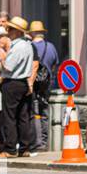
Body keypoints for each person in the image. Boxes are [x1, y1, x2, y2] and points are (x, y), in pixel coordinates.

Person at [0, 16, 38, 157]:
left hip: (12, 83)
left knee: (10, 117)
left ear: (18, 32)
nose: (9, 32)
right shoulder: (28, 45)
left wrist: (1, 61)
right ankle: (25, 148)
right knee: (23, 117)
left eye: (11, 29)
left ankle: (10, 149)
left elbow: (8, 67)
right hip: (24, 82)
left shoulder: (18, 46)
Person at [29, 21, 59, 151]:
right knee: (44, 112)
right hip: (47, 84)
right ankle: (45, 142)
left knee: (34, 112)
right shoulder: (51, 47)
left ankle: (37, 142)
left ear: (32, 33)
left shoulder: (29, 46)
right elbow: (54, 65)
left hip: (33, 84)